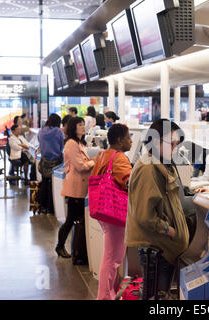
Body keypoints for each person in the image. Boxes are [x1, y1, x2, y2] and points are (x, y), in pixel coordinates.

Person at [126, 119, 189, 300]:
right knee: (155, 297)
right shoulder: (149, 168)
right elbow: (145, 216)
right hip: (156, 249)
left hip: (162, 248)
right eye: (172, 144)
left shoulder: (160, 163)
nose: (175, 149)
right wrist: (169, 231)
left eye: (177, 144)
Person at [91, 123, 133, 300]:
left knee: (111, 255)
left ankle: (110, 293)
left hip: (104, 210)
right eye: (128, 137)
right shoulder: (120, 157)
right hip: (116, 212)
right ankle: (105, 296)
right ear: (119, 140)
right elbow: (130, 182)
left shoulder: (103, 155)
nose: (131, 141)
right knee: (113, 258)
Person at [56, 117, 95, 260]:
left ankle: (74, 248)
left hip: (80, 186)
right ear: (73, 127)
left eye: (84, 124)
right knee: (71, 219)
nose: (83, 127)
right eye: (80, 124)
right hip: (75, 187)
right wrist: (93, 162)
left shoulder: (80, 143)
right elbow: (80, 166)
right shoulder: (71, 143)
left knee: (75, 218)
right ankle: (60, 246)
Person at [38, 114, 64, 215]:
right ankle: (51, 208)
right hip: (55, 161)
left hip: (44, 161)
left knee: (44, 183)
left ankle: (42, 207)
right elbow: (62, 145)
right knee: (52, 185)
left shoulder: (41, 131)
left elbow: (40, 144)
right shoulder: (58, 131)